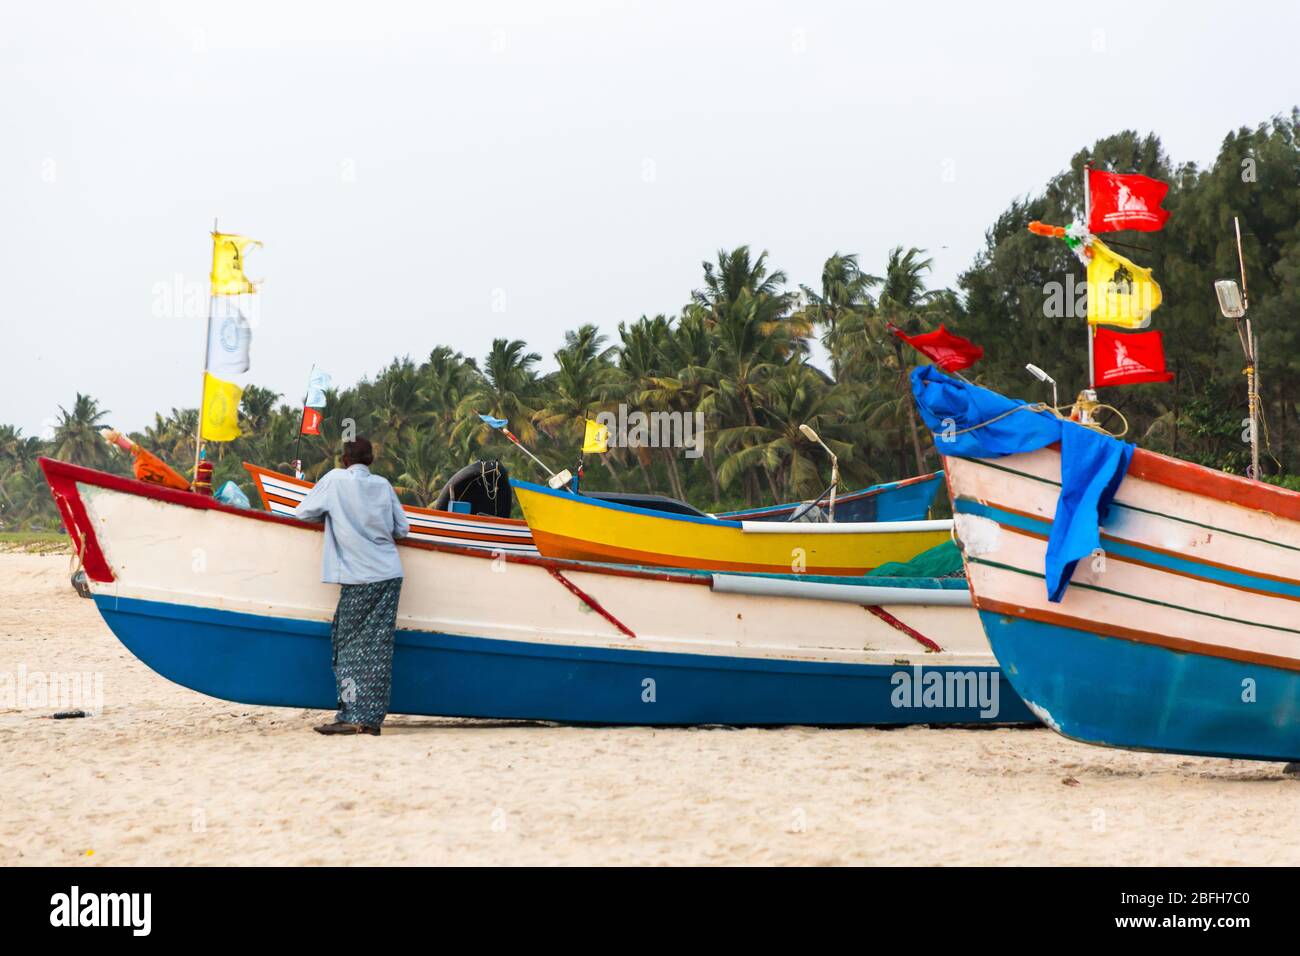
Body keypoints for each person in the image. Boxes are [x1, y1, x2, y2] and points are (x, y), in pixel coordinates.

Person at [294, 437, 410, 735]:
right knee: (377, 649)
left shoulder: (334, 481)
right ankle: (370, 720)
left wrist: (334, 516)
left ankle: (351, 715)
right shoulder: (383, 485)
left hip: (359, 576)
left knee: (346, 647)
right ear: (370, 460)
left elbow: (303, 512)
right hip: (388, 573)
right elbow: (402, 529)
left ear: (345, 459)